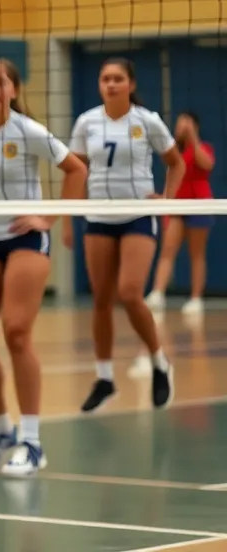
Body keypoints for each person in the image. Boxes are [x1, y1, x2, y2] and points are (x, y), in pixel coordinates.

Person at [0, 59, 86, 476]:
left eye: (3, 80)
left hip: (26, 237)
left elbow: (76, 169)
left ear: (14, 90)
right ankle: (0, 431)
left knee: (16, 332)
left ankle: (31, 440)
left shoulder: (28, 131)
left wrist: (48, 218)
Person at [66, 56, 183, 414]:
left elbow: (175, 162)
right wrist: (69, 217)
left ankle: (160, 362)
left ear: (130, 84)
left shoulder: (147, 121)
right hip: (99, 214)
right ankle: (104, 379)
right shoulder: (87, 122)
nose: (111, 84)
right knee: (101, 298)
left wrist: (167, 201)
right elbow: (75, 168)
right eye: (105, 79)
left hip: (137, 214)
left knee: (130, 293)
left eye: (118, 78)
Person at [146, 111, 215, 316]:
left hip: (200, 204)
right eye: (180, 122)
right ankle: (157, 294)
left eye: (186, 123)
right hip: (177, 204)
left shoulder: (203, 148)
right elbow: (172, 177)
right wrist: (164, 198)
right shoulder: (174, 151)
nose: (181, 126)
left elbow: (207, 164)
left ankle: (196, 299)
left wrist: (192, 136)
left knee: (196, 254)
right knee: (167, 250)